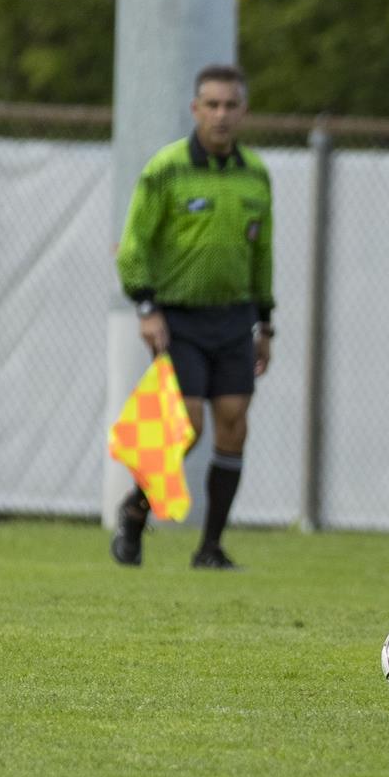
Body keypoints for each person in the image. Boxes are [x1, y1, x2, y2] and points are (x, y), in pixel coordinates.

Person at [110, 63, 276, 570]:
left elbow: (262, 252)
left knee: (234, 423)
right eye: (213, 105)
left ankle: (210, 548)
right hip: (178, 317)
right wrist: (145, 306)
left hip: (235, 319)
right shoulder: (167, 168)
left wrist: (265, 323)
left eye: (231, 105)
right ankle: (135, 511)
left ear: (243, 111)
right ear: (195, 109)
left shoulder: (255, 174)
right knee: (188, 424)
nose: (221, 115)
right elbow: (133, 245)